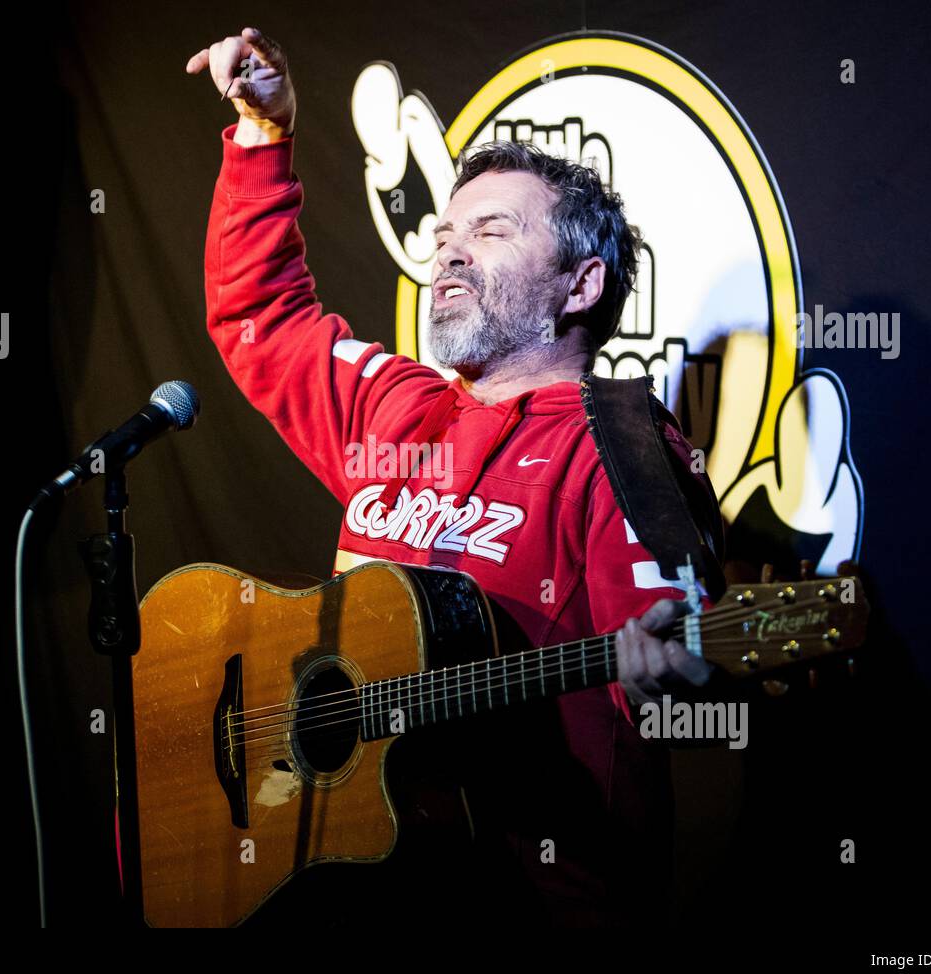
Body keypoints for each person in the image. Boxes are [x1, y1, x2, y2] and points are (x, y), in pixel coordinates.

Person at [186, 27, 719, 928]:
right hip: (356, 899)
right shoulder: (393, 405)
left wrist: (662, 675)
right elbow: (259, 314)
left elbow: (672, 649)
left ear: (581, 285)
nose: (449, 252)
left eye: (492, 230)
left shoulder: (624, 443)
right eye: (445, 234)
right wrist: (260, 136)